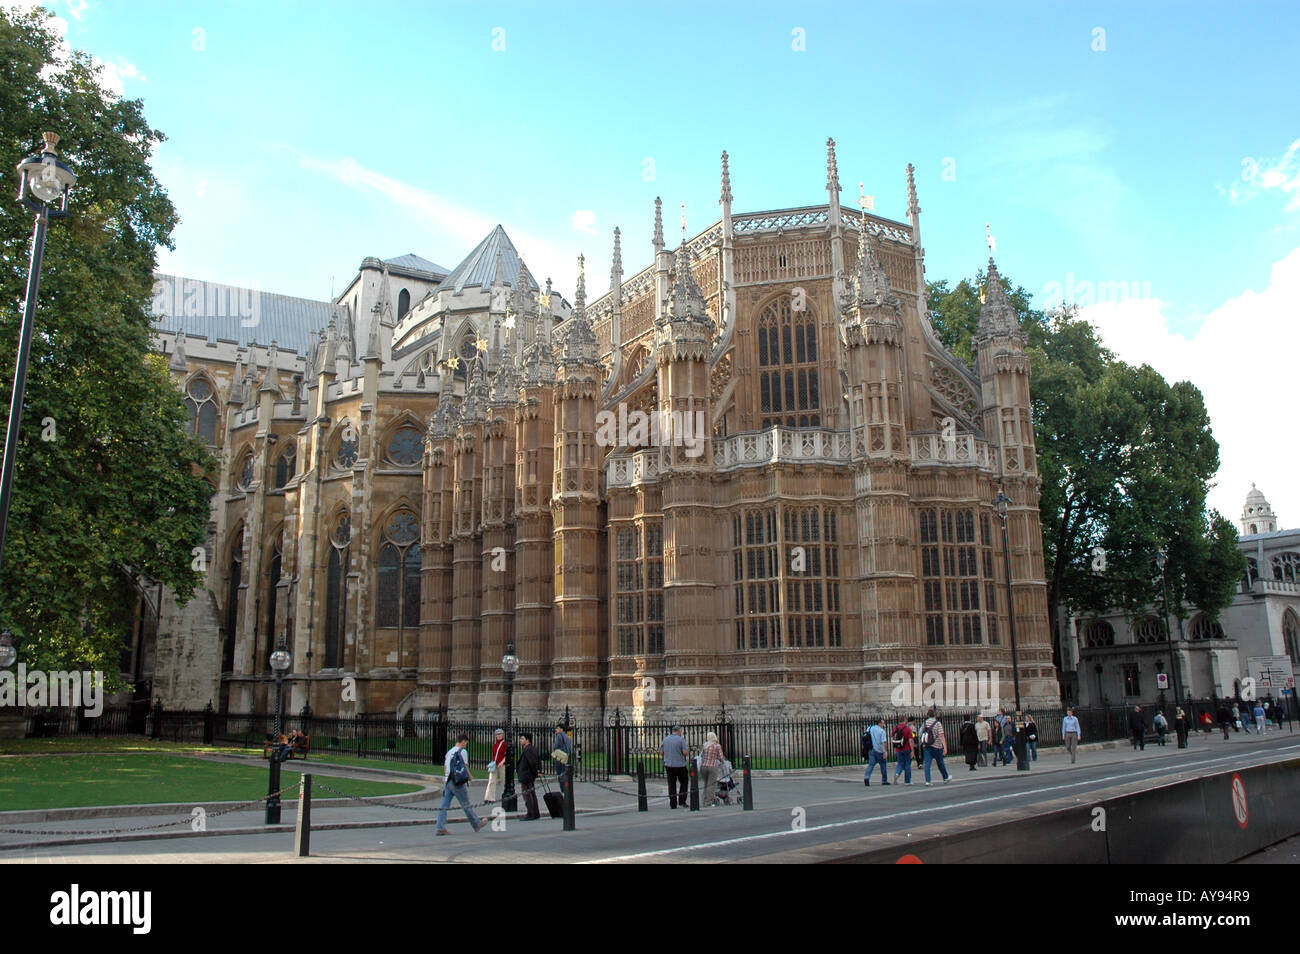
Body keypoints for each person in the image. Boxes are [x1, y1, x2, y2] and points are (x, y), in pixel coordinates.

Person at [436, 734, 489, 835]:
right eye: (466, 743)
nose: (466, 745)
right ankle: (476, 823)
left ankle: (440, 826)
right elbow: (465, 766)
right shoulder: (462, 751)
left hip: (448, 781)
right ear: (463, 741)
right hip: (457, 781)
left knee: (444, 804)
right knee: (466, 804)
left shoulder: (449, 751)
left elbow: (445, 767)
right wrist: (470, 776)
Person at [920, 709, 951, 786]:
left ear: (928, 715)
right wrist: (945, 747)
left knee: (927, 763)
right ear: (935, 715)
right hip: (937, 746)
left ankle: (928, 780)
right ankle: (945, 777)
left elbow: (920, 733)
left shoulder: (924, 723)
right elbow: (941, 735)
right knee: (940, 763)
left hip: (926, 746)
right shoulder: (937, 723)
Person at [662, 725, 691, 809]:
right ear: (678, 731)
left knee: (671, 784)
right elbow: (685, 752)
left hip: (669, 764)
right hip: (680, 764)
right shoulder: (681, 739)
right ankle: (682, 801)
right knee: (684, 782)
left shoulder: (665, 739)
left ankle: (673, 803)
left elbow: (661, 751)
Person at [516, 732, 542, 820]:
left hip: (527, 775)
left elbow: (533, 763)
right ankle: (535, 812)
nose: (520, 740)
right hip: (529, 775)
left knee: (527, 794)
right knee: (531, 793)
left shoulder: (528, 750)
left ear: (527, 740)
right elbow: (538, 760)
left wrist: (535, 772)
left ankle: (531, 813)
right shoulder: (531, 749)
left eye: (522, 739)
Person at [699, 731, 725, 805]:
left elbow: (701, 755)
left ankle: (704, 799)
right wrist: (722, 760)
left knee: (706, 783)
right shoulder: (717, 746)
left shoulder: (704, 745)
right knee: (711, 785)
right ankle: (708, 801)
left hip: (703, 766)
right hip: (712, 766)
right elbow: (721, 758)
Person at [863, 717, 890, 786]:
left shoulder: (870, 728)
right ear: (880, 723)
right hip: (879, 750)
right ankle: (884, 780)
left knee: (871, 765)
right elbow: (884, 742)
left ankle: (867, 777)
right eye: (883, 723)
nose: (884, 725)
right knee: (883, 764)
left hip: (871, 749)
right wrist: (885, 751)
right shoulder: (882, 731)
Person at [484, 728, 507, 803]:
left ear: (503, 735)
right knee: (491, 781)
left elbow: (507, 755)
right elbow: (494, 755)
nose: (499, 736)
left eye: (500, 734)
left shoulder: (505, 744)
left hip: (502, 765)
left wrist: (502, 762)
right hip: (495, 764)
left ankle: (506, 795)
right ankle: (489, 797)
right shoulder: (495, 744)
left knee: (504, 780)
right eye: (497, 734)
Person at [892, 716, 914, 784]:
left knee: (900, 764)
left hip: (898, 749)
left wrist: (895, 749)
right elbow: (910, 740)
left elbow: (893, 739)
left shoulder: (895, 728)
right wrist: (912, 750)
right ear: (905, 721)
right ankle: (907, 781)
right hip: (907, 748)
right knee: (907, 764)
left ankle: (897, 773)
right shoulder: (907, 729)